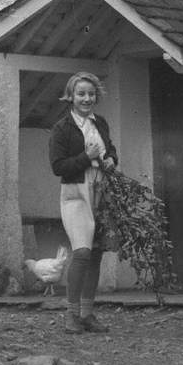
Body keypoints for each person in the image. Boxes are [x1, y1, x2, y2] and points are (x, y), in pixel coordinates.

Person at [48, 71, 117, 334]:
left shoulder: (101, 123)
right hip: (76, 192)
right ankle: (71, 314)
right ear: (71, 96)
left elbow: (110, 149)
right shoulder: (62, 128)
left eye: (91, 94)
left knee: (96, 252)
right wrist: (86, 157)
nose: (86, 99)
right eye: (81, 94)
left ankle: (87, 314)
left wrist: (111, 159)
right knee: (82, 252)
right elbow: (58, 166)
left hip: (101, 190)